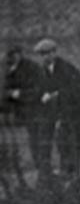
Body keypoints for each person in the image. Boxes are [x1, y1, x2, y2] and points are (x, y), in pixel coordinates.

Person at [35, 38, 80, 202]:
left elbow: (75, 90)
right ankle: (66, 172)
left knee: (73, 141)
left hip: (78, 109)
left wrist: (54, 95)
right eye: (42, 54)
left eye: (47, 53)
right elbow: (43, 88)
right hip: (63, 111)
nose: (45, 57)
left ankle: (74, 175)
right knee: (61, 141)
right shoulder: (45, 70)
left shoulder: (66, 68)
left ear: (54, 52)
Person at [4, 46, 44, 193]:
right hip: (9, 116)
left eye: (15, 54)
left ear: (20, 54)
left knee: (30, 146)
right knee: (11, 149)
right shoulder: (5, 68)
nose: (11, 58)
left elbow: (39, 90)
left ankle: (34, 180)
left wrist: (20, 94)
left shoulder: (32, 68)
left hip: (30, 114)